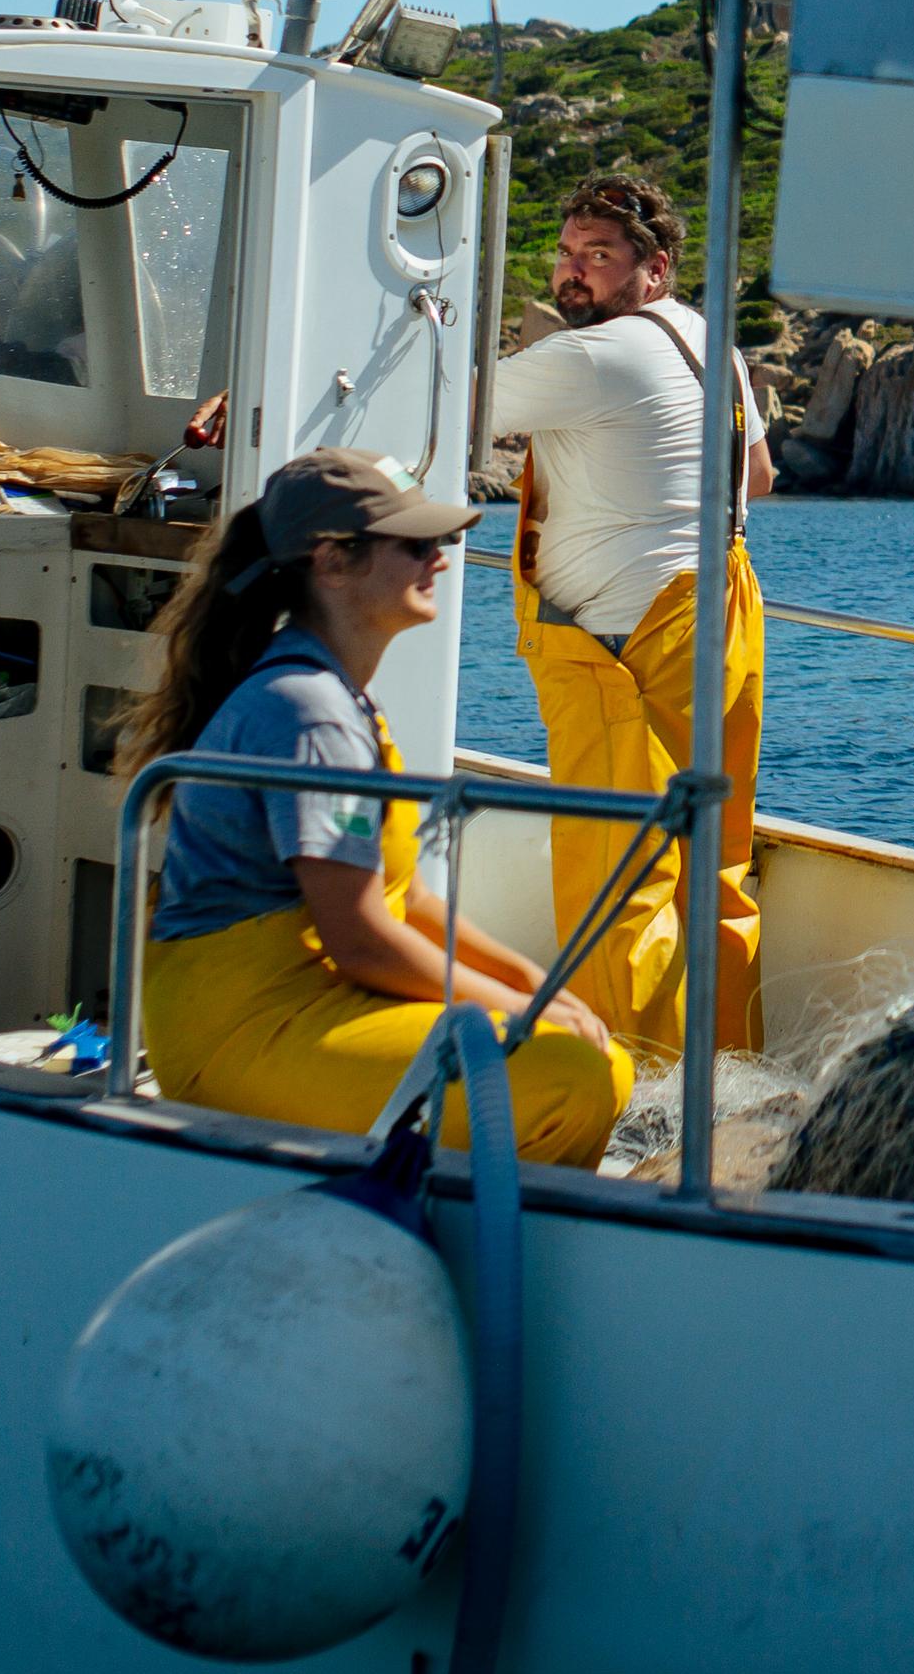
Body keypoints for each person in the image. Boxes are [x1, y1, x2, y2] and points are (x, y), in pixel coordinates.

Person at [123, 447, 628, 1161]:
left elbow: (406, 899)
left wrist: (536, 985)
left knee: (596, 1058)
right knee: (570, 1076)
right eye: (418, 544)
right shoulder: (310, 712)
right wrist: (515, 1010)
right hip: (243, 1035)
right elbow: (359, 939)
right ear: (331, 560)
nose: (442, 561)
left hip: (298, 1006)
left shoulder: (337, 700)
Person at [501, 174, 773, 1057]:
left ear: (652, 268)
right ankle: (730, 1078)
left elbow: (424, 411)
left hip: (622, 643)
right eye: (568, 254)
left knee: (621, 876)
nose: (572, 274)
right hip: (720, 613)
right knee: (715, 866)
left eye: (600, 257)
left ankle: (645, 1099)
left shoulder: (593, 356)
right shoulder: (714, 340)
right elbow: (757, 478)